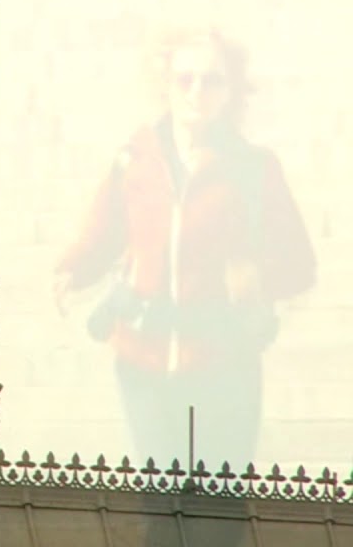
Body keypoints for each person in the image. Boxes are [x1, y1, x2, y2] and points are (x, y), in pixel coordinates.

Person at [54, 32, 315, 471]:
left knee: (220, 505)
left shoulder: (254, 168)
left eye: (211, 81)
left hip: (224, 361)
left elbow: (299, 264)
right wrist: (73, 270)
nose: (197, 92)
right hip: (144, 360)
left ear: (230, 92)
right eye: (185, 80)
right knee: (162, 506)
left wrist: (258, 276)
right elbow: (105, 232)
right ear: (166, 86)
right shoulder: (133, 159)